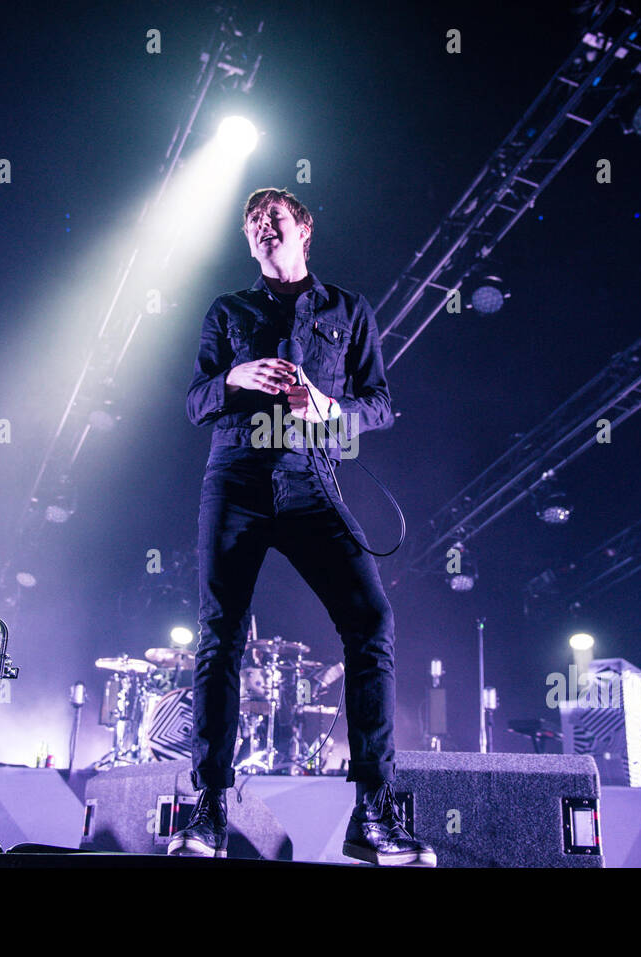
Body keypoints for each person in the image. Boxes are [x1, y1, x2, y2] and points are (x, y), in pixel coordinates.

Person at [175, 187, 435, 865]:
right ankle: (207, 809)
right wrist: (234, 376)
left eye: (275, 219)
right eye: (252, 222)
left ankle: (374, 812)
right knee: (218, 636)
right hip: (234, 477)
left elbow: (380, 404)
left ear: (304, 231)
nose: (263, 227)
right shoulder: (226, 310)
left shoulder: (348, 309)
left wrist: (327, 404)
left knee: (371, 622)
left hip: (311, 479)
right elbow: (195, 400)